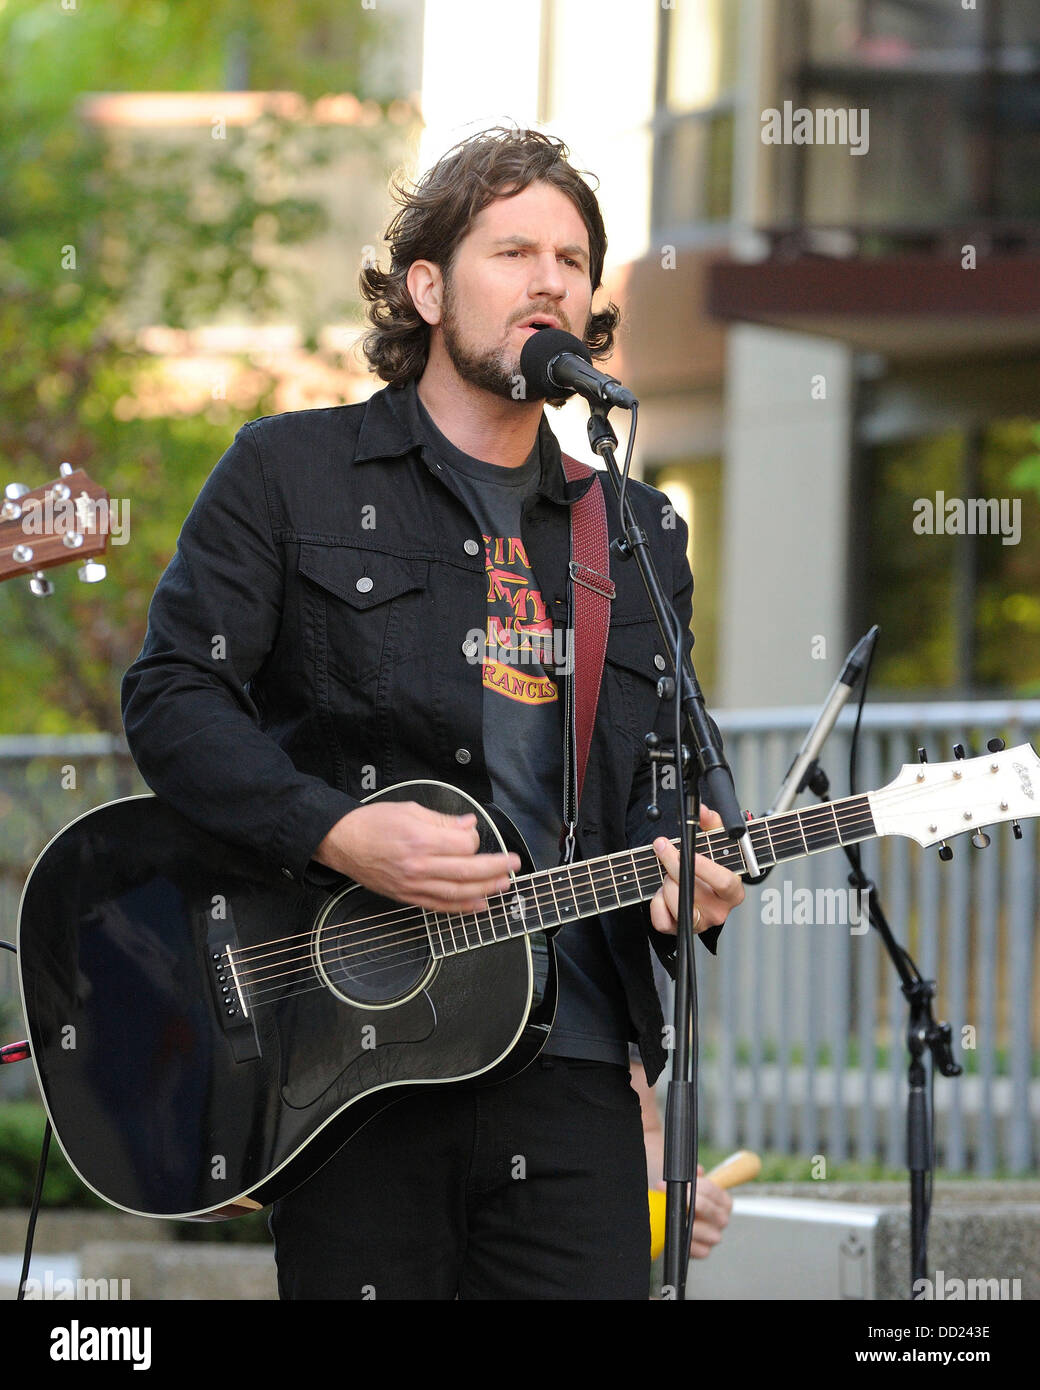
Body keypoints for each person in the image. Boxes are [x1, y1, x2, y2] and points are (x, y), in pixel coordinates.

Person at [121, 125, 744, 1300]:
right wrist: (330, 827)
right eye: (512, 250)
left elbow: (667, 769)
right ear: (426, 285)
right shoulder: (289, 474)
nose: (549, 278)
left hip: (572, 1061)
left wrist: (691, 871)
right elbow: (170, 694)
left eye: (571, 256)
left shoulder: (636, 528)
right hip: (352, 1055)